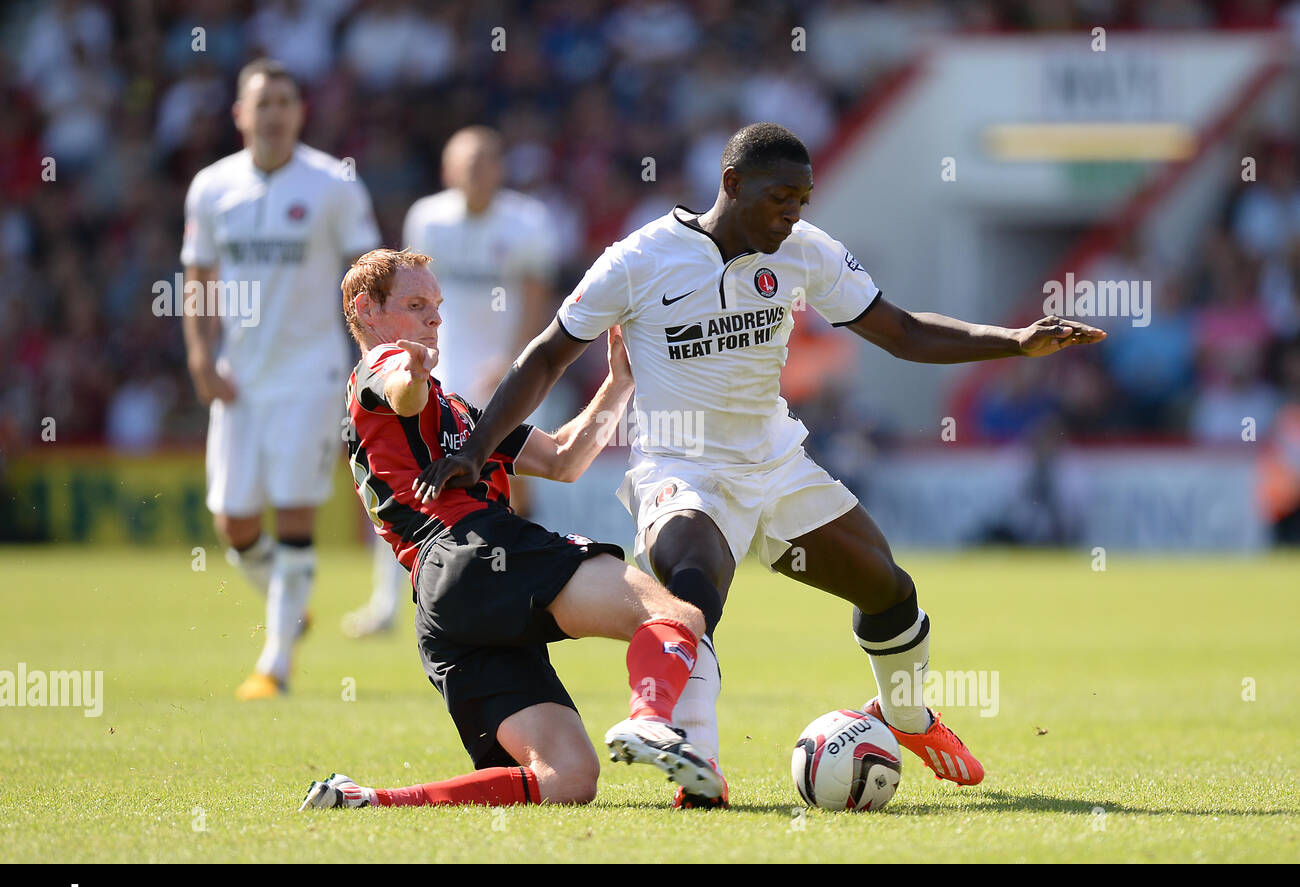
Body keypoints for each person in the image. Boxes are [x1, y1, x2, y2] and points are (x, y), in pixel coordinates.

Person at [412, 123, 1107, 808]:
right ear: (733, 185)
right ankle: (689, 755)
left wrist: (1016, 341)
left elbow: (901, 331)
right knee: (691, 594)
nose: (792, 213)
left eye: (802, 200)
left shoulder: (803, 252)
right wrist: (474, 450)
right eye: (780, 197)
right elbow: (544, 356)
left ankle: (908, 717)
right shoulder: (640, 258)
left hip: (774, 463)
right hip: (681, 467)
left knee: (889, 591)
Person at [300, 248, 723, 809]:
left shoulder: (459, 413)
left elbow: (564, 459)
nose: (435, 318)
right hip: (476, 549)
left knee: (567, 778)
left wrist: (619, 382)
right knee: (676, 615)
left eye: (437, 305)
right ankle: (648, 718)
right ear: (366, 310)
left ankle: (367, 800)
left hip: (448, 606)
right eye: (416, 304)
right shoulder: (381, 372)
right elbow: (398, 384)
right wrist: (410, 369)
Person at [180, 58, 381, 700]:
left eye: (285, 101)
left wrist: (373, 354)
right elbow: (199, 277)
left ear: (301, 113)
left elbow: (367, 271)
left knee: (294, 511)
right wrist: (200, 356)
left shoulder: (332, 185)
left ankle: (276, 662)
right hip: (241, 376)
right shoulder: (211, 188)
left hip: (310, 372)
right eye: (261, 103)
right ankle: (289, 605)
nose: (273, 113)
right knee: (234, 524)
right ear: (240, 114)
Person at [341, 125, 558, 639]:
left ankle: (525, 587)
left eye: (487, 161)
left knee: (519, 484)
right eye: (468, 162)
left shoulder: (527, 222)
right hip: (437, 370)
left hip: (507, 375)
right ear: (448, 170)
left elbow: (535, 296)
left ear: (500, 168)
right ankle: (386, 603)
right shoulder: (429, 218)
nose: (478, 171)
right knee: (406, 480)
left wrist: (513, 363)